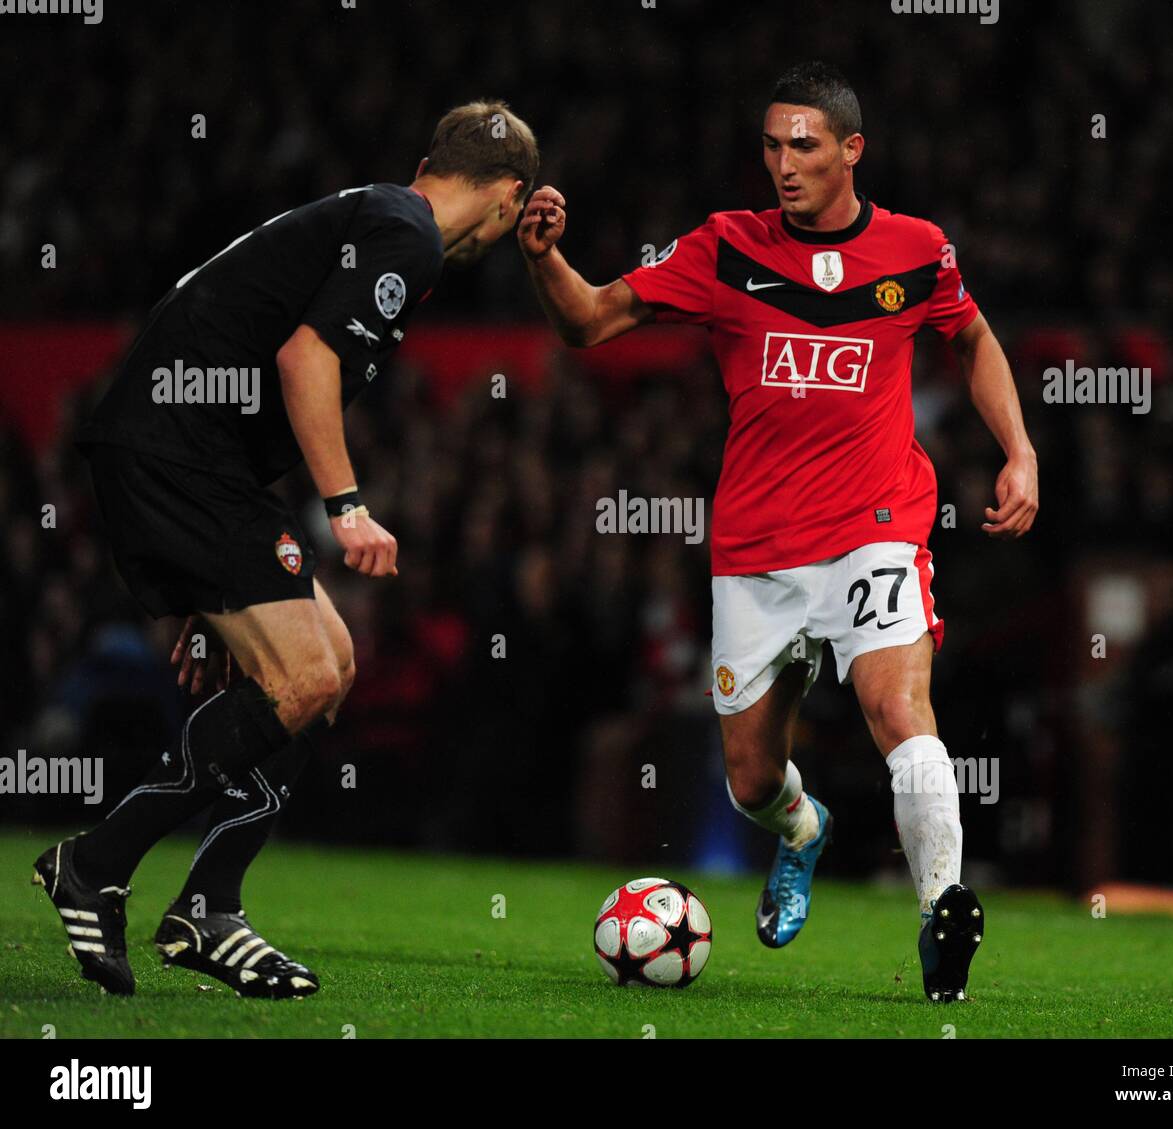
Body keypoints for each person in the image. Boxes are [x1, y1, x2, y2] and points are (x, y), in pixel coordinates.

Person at [518, 63, 1037, 1001]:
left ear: (851, 150)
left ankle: (941, 914)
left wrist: (1020, 450)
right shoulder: (726, 248)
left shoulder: (919, 251)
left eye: (804, 145)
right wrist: (544, 256)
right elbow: (590, 321)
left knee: (899, 709)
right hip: (756, 552)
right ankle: (803, 830)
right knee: (752, 778)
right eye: (771, 145)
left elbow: (971, 336)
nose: (784, 164)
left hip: (878, 525)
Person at [32, 101, 539, 998]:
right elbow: (307, 359)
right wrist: (346, 507)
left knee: (331, 667)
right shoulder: (408, 238)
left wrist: (208, 592)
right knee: (302, 679)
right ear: (508, 198)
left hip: (190, 455)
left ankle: (208, 906)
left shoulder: (378, 211)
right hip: (179, 453)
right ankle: (95, 861)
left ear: (431, 159)